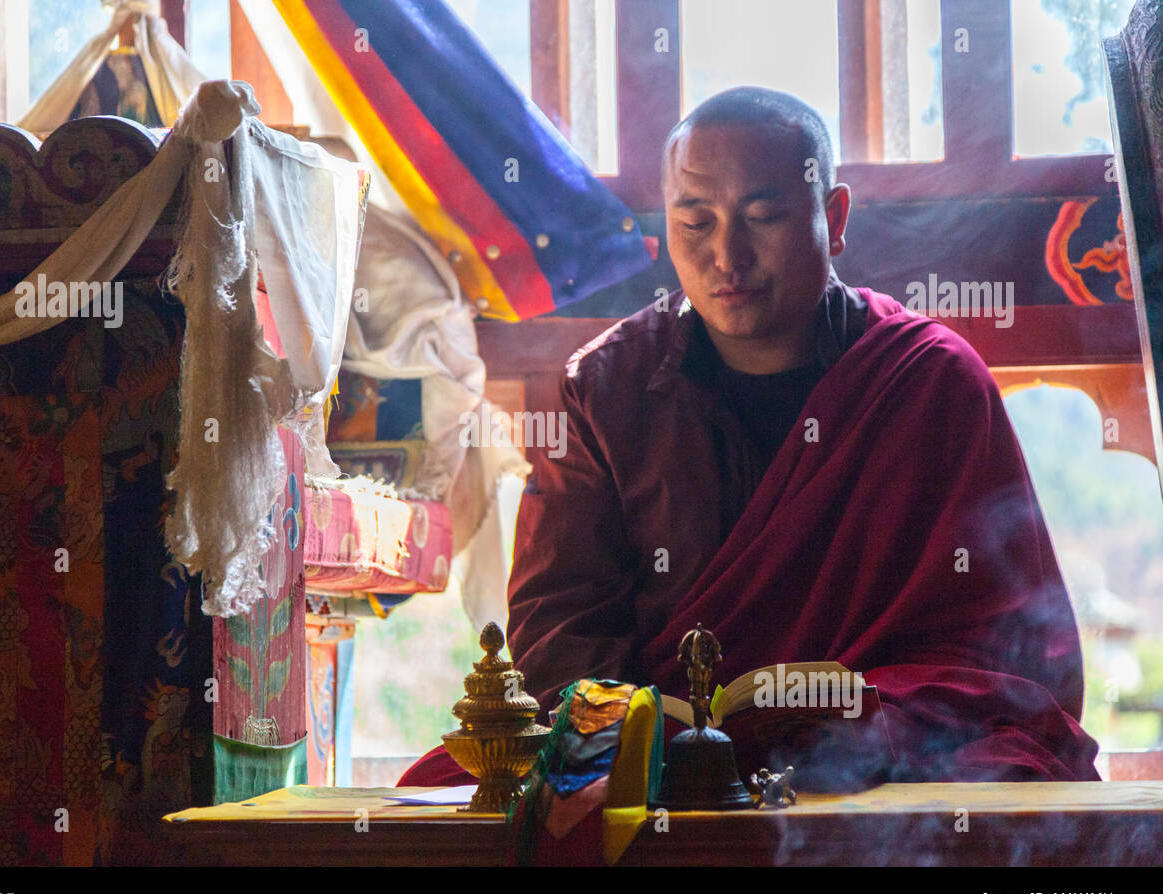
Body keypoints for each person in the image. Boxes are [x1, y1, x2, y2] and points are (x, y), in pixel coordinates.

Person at [400, 86, 1099, 787]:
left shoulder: (928, 382)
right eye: (695, 222)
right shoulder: (607, 390)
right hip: (665, 766)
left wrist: (858, 728)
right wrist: (653, 743)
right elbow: (559, 635)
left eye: (763, 215)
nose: (727, 256)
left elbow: (1014, 656)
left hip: (877, 762)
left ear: (834, 216)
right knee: (441, 792)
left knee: (1015, 773)